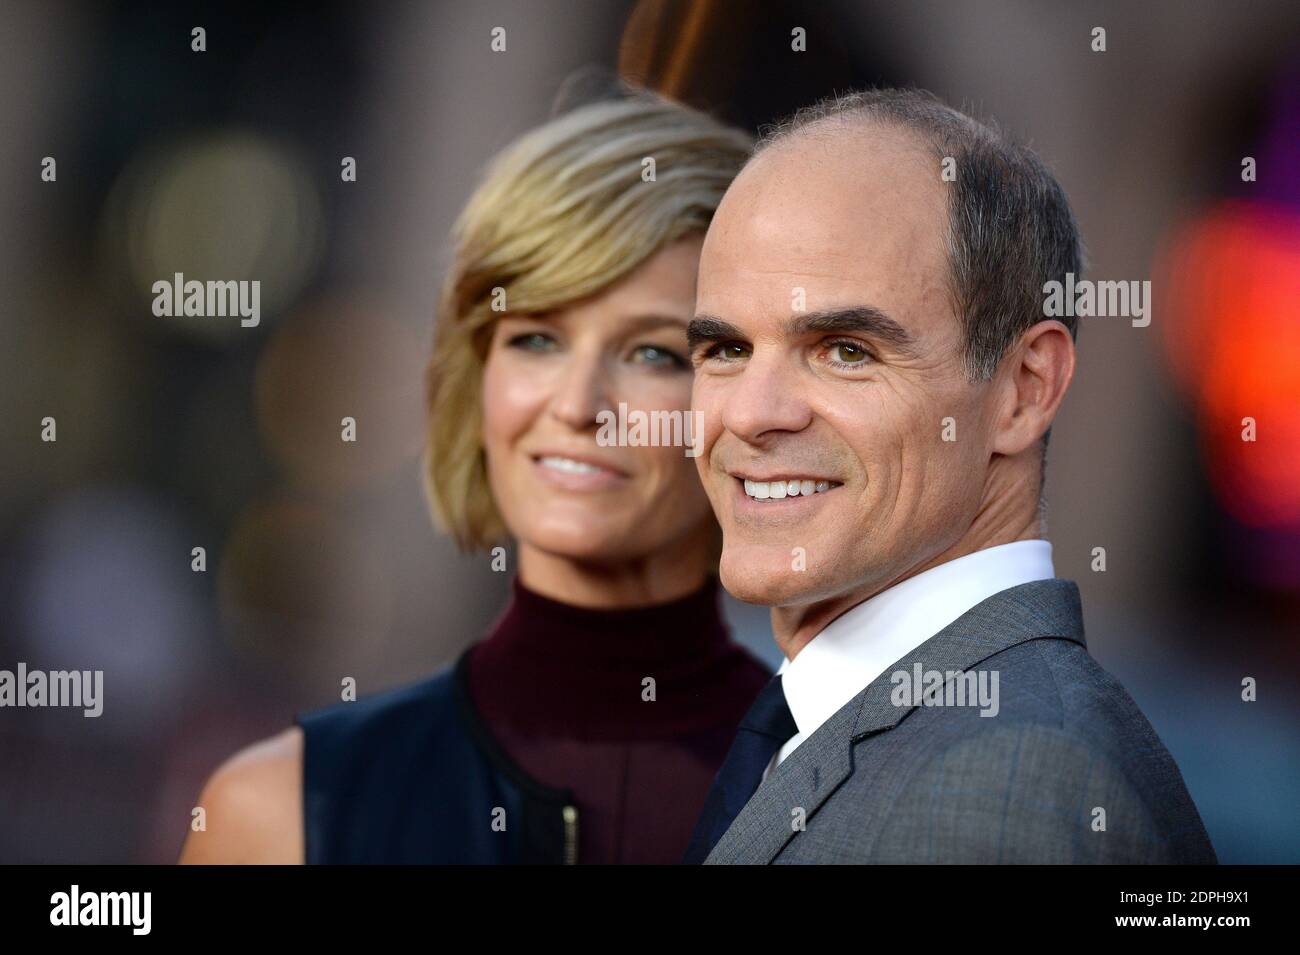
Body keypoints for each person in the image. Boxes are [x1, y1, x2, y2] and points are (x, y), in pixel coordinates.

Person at [179, 88, 769, 864]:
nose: (577, 404)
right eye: (536, 339)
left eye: (654, 352)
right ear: (478, 371)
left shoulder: (847, 788)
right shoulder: (284, 809)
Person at [681, 88, 1217, 864]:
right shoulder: (876, 727)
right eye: (725, 349)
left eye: (845, 350)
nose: (750, 415)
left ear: (1025, 389)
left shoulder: (1009, 790)